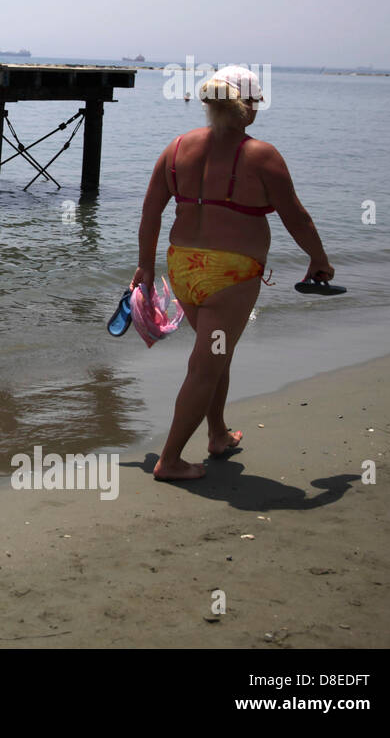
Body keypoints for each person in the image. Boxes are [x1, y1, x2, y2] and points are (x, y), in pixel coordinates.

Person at [133, 65, 333, 481]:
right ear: (249, 108)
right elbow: (295, 216)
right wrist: (318, 258)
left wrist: (146, 267)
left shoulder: (175, 149)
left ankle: (219, 434)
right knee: (206, 365)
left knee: (216, 353)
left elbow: (151, 212)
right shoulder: (261, 155)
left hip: (184, 268)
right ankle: (170, 460)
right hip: (231, 275)